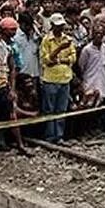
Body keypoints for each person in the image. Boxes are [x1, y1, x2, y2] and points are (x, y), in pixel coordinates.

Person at [39, 12, 76, 143]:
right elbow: (46, 60)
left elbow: (72, 57)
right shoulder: (46, 40)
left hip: (65, 78)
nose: (60, 28)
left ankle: (59, 135)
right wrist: (60, 49)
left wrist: (60, 60)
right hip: (50, 79)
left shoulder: (68, 39)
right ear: (52, 25)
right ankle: (50, 136)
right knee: (49, 110)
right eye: (58, 26)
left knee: (61, 109)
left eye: (62, 26)